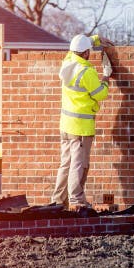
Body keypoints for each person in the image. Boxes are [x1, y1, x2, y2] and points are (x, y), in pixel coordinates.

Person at [50, 33, 113, 209]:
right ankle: (76, 200)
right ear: (86, 53)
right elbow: (101, 94)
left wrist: (95, 39)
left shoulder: (67, 62)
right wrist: (106, 77)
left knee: (66, 164)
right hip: (81, 127)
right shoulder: (87, 72)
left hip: (66, 125)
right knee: (79, 165)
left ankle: (57, 201)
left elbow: (77, 48)